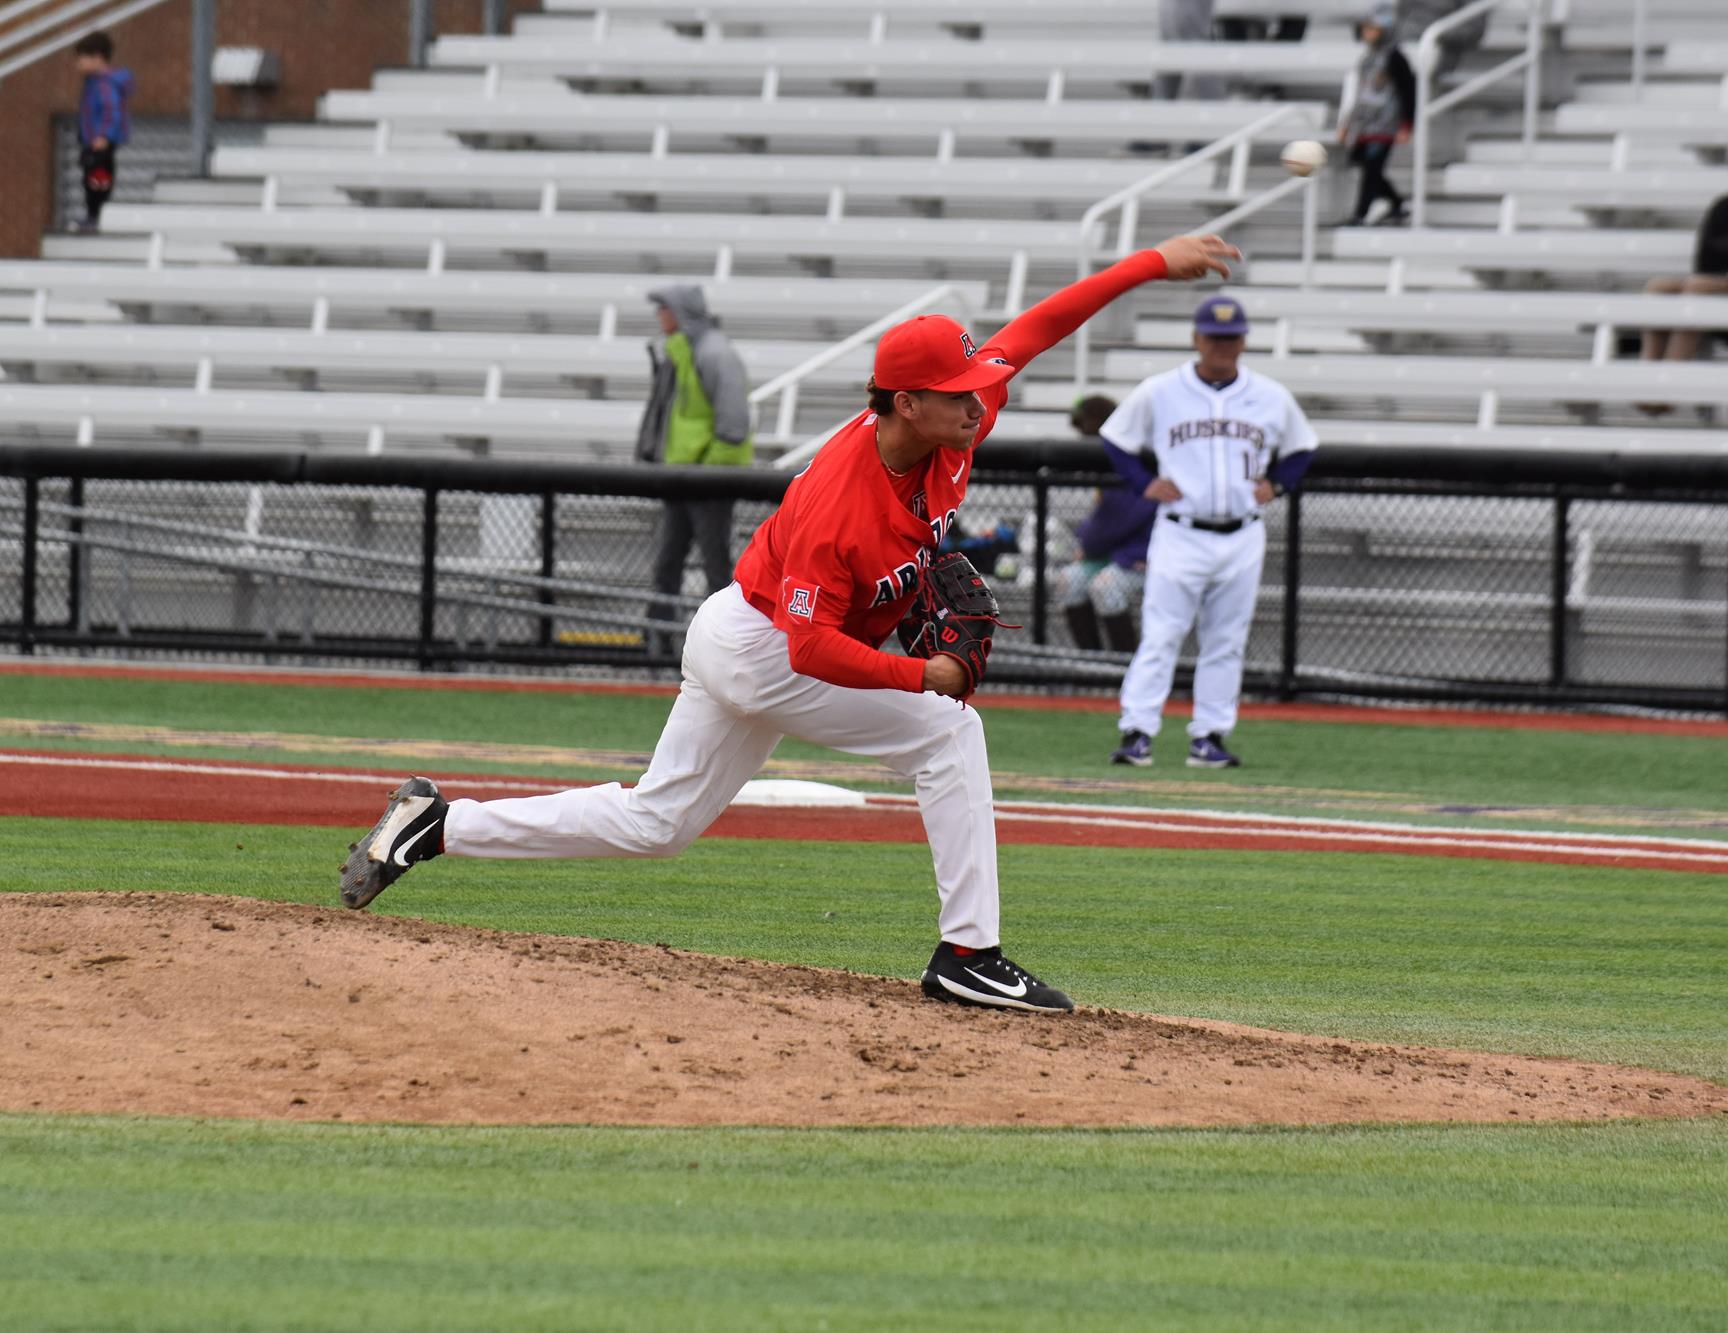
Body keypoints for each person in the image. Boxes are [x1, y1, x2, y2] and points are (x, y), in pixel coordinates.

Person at [339, 233, 1242, 1015]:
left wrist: (1153, 263)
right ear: (902, 403)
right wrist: (922, 676)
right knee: (947, 733)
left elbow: (1038, 327)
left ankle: (435, 826)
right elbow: (810, 648)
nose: (979, 401)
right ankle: (968, 955)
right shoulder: (837, 503)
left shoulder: (948, 422)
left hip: (751, 633)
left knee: (658, 822)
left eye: (976, 387)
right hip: (768, 644)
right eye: (957, 391)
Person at [1103, 296, 1317, 769]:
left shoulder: (1270, 395)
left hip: (1243, 534)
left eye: (1232, 336)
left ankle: (1210, 736)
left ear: (1243, 340)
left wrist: (1278, 483)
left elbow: (1302, 449)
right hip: (1181, 531)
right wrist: (1144, 483)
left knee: (1227, 638)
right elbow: (1116, 438)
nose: (1224, 345)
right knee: (1162, 634)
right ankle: (1137, 731)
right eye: (1215, 336)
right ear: (1197, 338)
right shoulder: (1161, 390)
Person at [636, 286, 753, 648]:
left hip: (704, 479)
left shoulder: (713, 353)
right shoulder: (686, 351)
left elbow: (733, 426)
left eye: (664, 308)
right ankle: (660, 642)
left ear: (680, 311)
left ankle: (720, 646)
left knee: (715, 569)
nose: (659, 315)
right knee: (669, 563)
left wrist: (706, 470)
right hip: (686, 476)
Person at [1057, 394, 1157, 653]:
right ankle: (1092, 664)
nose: (1082, 440)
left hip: (1146, 555)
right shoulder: (1106, 466)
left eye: (1085, 431)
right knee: (1069, 580)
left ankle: (1125, 669)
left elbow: (1110, 526)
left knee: (1106, 586)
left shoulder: (1129, 458)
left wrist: (1088, 546)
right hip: (1116, 555)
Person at [1636, 194, 1728, 414]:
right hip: (1713, 289)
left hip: (1710, 290)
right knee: (1657, 288)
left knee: (1698, 290)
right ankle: (1647, 381)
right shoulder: (1723, 208)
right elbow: (1704, 263)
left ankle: (1667, 386)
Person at [1337, 5, 1416, 228]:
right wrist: (1348, 123)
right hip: (1365, 124)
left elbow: (1408, 91)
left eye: (1372, 28)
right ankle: (1397, 202)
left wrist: (1406, 124)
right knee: (1360, 162)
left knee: (1372, 168)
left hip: (1385, 124)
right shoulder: (1367, 58)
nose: (1367, 33)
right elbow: (1359, 94)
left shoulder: (1395, 58)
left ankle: (1361, 214)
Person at [71, 31, 133, 234]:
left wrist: (103, 136)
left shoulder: (105, 85)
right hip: (92, 140)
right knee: (91, 179)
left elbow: (110, 111)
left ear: (97, 58)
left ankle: (98, 214)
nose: (77, 65)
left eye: (82, 59)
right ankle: (93, 214)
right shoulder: (93, 83)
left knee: (99, 180)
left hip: (100, 142)